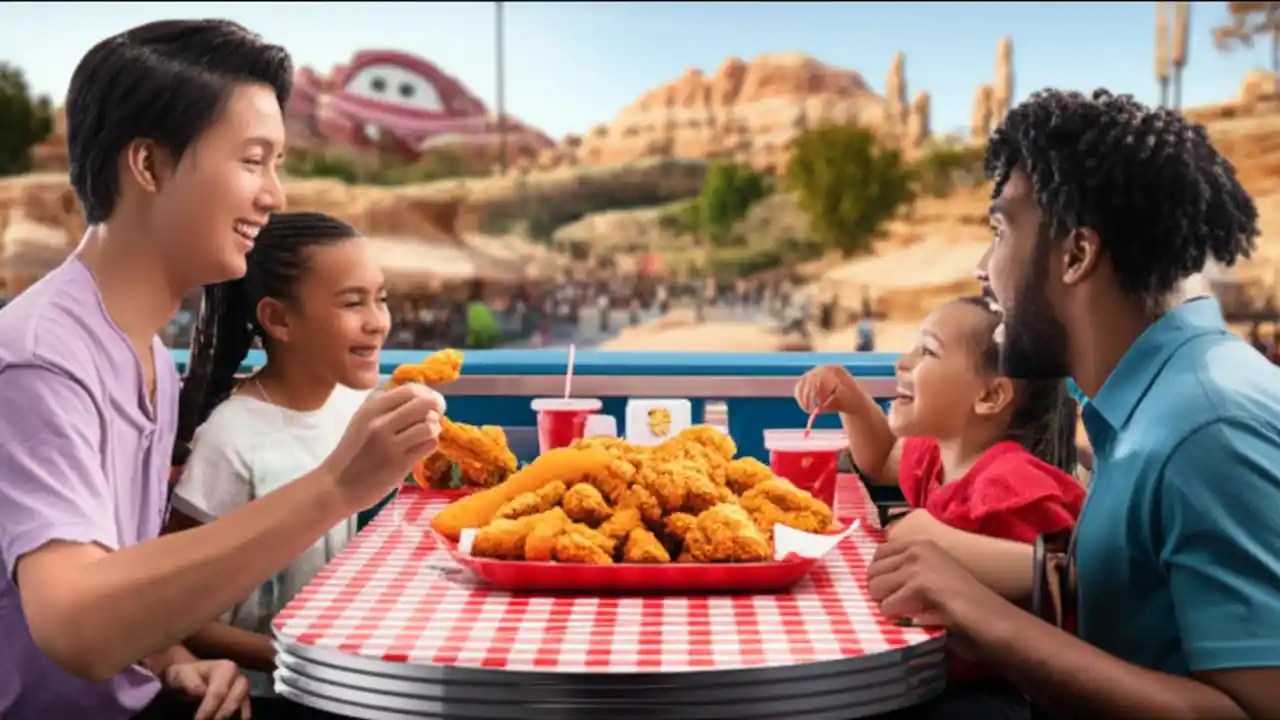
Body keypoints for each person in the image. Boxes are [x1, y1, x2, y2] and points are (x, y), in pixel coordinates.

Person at [0, 21, 444, 720]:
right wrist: (336, 486)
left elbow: (132, 580)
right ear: (148, 165)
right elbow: (76, 625)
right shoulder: (39, 360)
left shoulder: (143, 352)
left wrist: (178, 661)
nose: (273, 196)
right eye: (253, 160)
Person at [867, 89, 1280, 717]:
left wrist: (978, 614)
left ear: (1078, 255)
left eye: (1001, 230)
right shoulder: (1150, 397)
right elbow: (1145, 587)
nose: (984, 267)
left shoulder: (1206, 428)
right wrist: (999, 568)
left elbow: (1251, 712)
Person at [796, 296, 1083, 719]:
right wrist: (853, 403)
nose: (902, 362)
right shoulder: (938, 455)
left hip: (1005, 696)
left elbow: (1068, 579)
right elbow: (880, 459)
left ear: (990, 395)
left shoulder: (1010, 482)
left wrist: (934, 538)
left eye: (926, 351)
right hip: (938, 673)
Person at [165, 212, 388, 700]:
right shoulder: (231, 439)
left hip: (330, 676)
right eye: (353, 302)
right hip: (261, 690)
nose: (378, 322)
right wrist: (299, 656)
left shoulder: (353, 407)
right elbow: (170, 610)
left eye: (381, 298)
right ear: (279, 319)